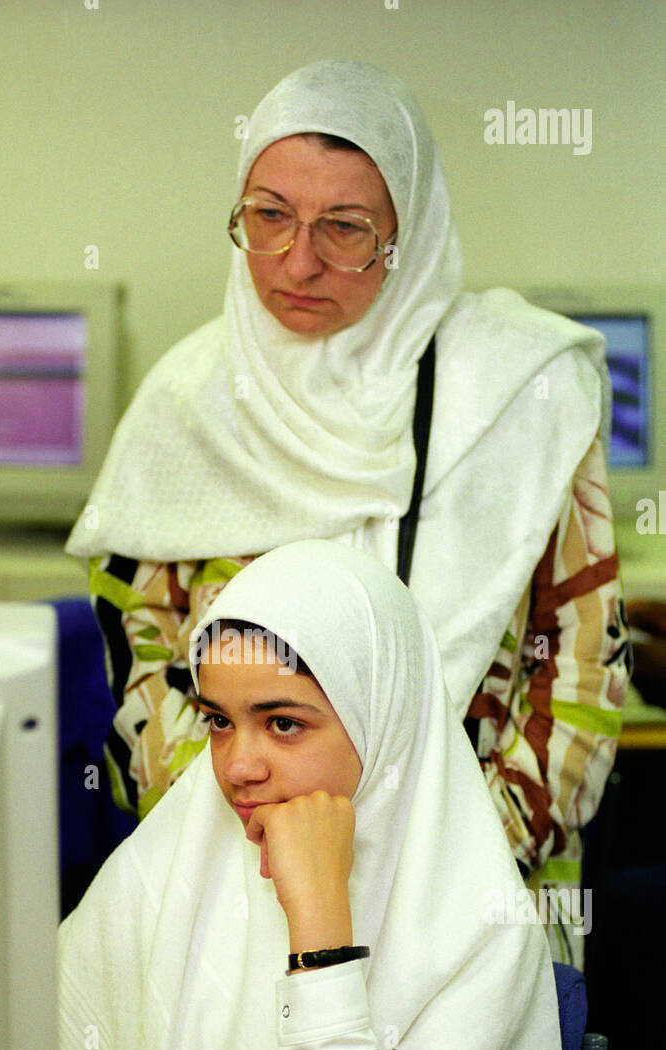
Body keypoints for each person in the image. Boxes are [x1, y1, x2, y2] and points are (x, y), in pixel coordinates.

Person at [66, 59, 630, 969]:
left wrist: (445, 859)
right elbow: (146, 653)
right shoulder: (186, 402)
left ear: (411, 233)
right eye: (269, 216)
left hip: (477, 898)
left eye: (346, 228)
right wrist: (247, 841)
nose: (298, 260)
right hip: (225, 887)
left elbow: (577, 662)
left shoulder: (522, 390)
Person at [9, 541, 564, 1050]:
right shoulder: (167, 860)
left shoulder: (475, 929)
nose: (237, 767)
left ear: (380, 721)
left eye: (283, 724)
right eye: (217, 721)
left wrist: (320, 928)